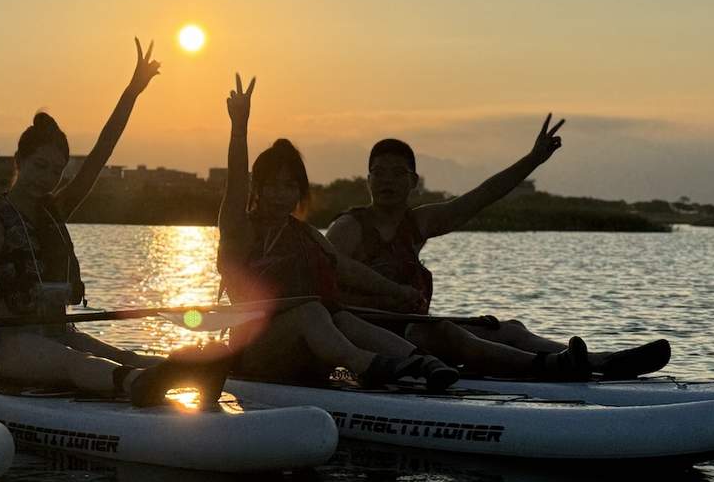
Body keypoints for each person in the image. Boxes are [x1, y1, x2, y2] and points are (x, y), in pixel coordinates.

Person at [0, 39, 223, 407]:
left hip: (60, 333)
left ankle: (198, 374)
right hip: (13, 346)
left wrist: (132, 92)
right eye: (39, 167)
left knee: (127, 355)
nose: (47, 179)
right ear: (19, 161)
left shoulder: (56, 210)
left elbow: (102, 150)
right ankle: (137, 385)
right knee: (76, 362)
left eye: (56, 171)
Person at [215, 74, 544, 392]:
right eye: (272, 186)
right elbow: (234, 187)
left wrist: (398, 292)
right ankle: (369, 365)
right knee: (313, 311)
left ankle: (419, 362)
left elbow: (346, 269)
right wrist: (239, 129)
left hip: (303, 353)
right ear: (257, 189)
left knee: (338, 317)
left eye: (289, 186)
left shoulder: (306, 235)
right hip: (254, 353)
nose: (280, 195)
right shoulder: (241, 231)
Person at [324, 117, 670, 379]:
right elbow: (328, 282)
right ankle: (550, 367)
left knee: (508, 329)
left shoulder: (419, 223)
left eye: (397, 173)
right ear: (368, 180)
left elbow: (483, 195)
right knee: (439, 330)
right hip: (374, 343)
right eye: (378, 173)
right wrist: (391, 293)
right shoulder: (349, 227)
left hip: (415, 329)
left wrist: (533, 160)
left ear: (413, 182)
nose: (386, 181)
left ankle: (601, 361)